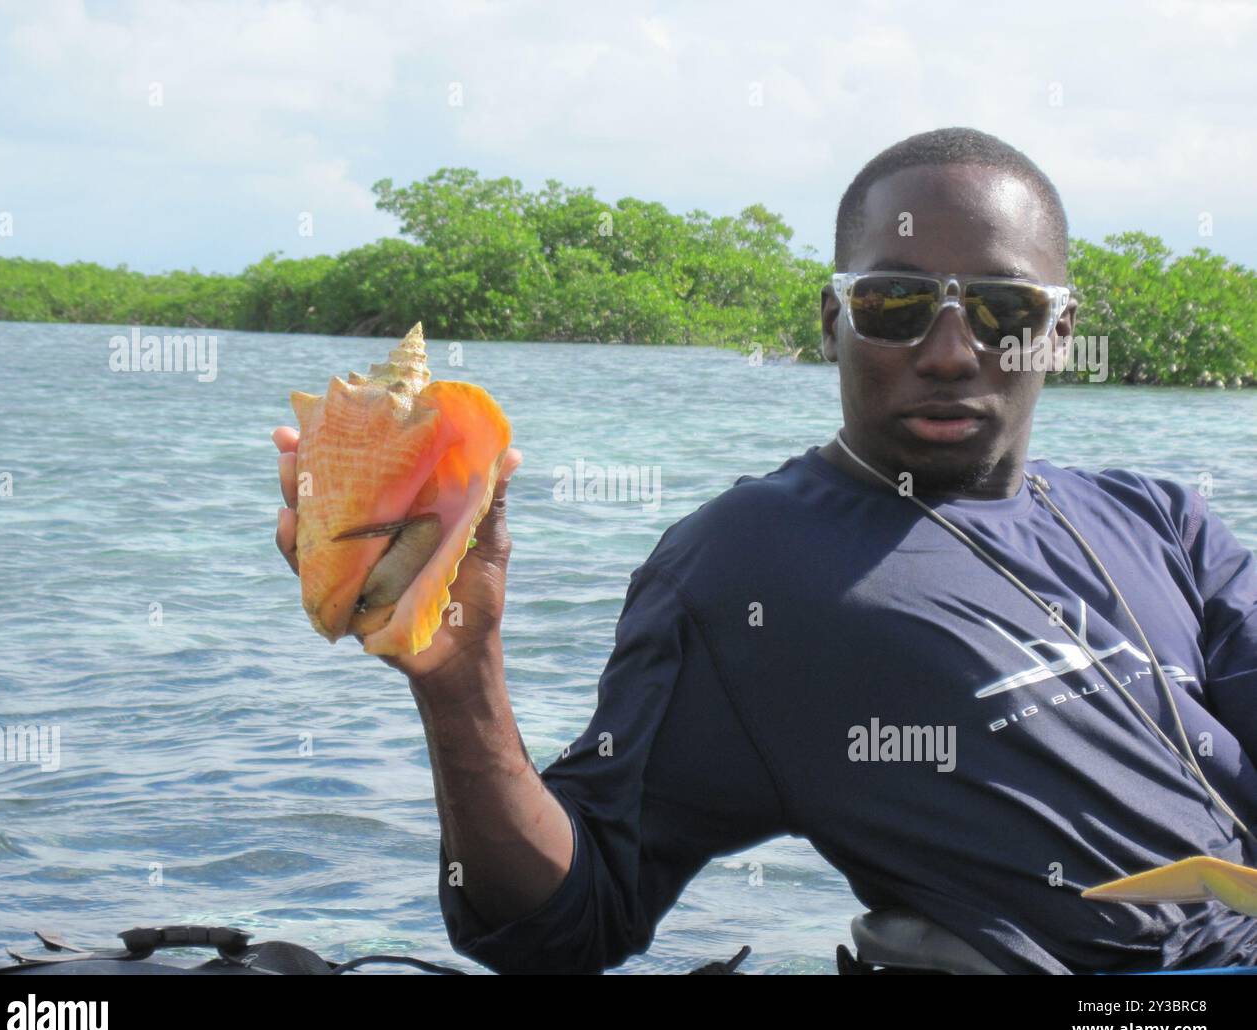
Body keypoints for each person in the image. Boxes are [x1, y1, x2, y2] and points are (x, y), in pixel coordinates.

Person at [271, 128, 1257, 974]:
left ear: (1059, 331)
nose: (952, 349)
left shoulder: (1164, 522)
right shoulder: (750, 569)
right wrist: (458, 682)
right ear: (834, 322)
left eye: (1003, 309)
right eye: (894, 304)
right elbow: (569, 916)